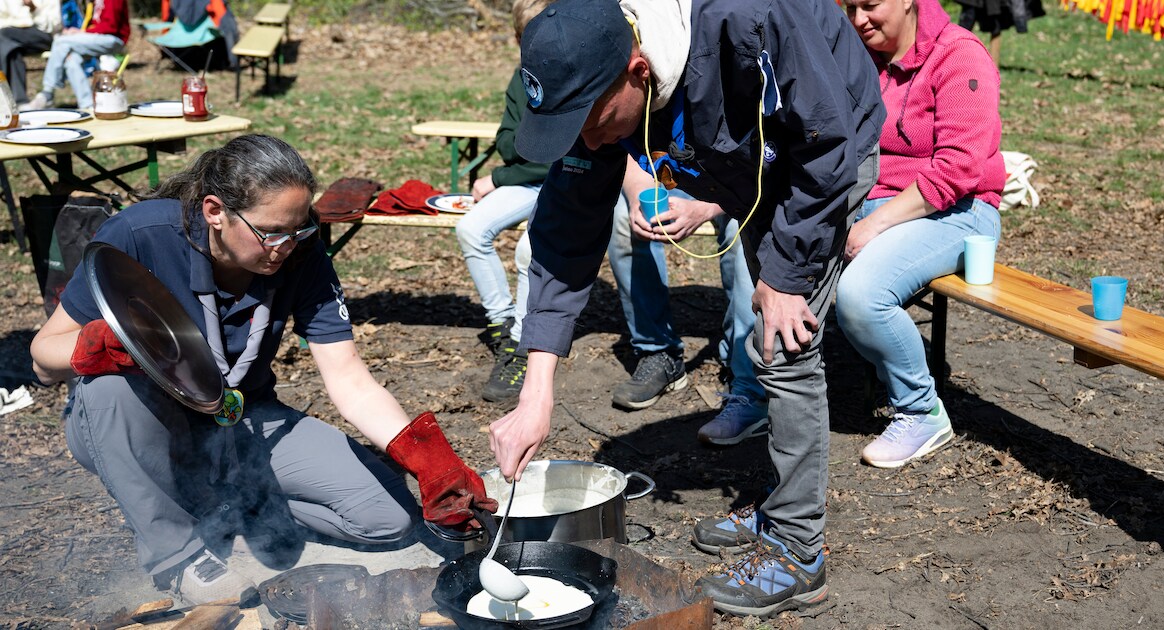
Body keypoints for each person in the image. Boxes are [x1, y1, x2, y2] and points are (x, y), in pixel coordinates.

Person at [489, 0, 883, 617]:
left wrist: (784, 277)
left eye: (590, 122)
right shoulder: (594, 67)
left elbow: (824, 145)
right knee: (770, 329)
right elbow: (565, 236)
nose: (589, 142)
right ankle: (782, 509)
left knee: (781, 345)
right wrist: (536, 394)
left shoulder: (746, 18)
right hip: (756, 153)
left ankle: (800, 550)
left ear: (639, 71)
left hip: (825, 150)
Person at [29, 135, 498, 606]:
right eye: (272, 233)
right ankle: (178, 558)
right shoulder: (139, 235)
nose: (286, 247)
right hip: (145, 418)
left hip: (242, 417)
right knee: (107, 389)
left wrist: (429, 460)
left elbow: (350, 379)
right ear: (215, 212)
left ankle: (226, 506)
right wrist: (101, 346)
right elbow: (42, 357)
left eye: (298, 231)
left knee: (388, 519)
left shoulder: (299, 249)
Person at [838, 0, 1004, 467]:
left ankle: (921, 410)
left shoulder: (959, 56)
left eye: (869, 5)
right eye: (850, 7)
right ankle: (755, 395)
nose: (858, 19)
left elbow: (957, 171)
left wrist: (874, 221)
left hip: (960, 211)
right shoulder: (862, 56)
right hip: (878, 203)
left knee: (861, 294)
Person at [608, 156, 768, 446]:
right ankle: (659, 354)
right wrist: (636, 197)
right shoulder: (645, 108)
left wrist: (705, 209)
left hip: (741, 186)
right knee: (622, 220)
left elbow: (762, 166)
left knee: (741, 232)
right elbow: (628, 149)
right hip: (678, 181)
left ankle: (749, 387)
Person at [455, 0, 553, 404]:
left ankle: (521, 345)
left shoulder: (576, 77)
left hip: (564, 185)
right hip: (527, 181)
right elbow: (507, 140)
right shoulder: (522, 78)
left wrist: (499, 176)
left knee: (530, 250)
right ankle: (502, 321)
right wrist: (521, 159)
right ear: (518, 39)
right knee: (470, 228)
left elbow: (555, 159)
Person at [19, 0, 127, 110]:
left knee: (60, 42)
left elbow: (110, 27)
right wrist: (78, 32)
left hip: (113, 39)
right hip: (99, 38)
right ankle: (87, 105)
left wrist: (82, 33)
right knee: (71, 60)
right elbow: (95, 25)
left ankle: (47, 93)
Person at [0, 0, 61, 105]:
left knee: (4, 36)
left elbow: (52, 26)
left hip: (42, 36)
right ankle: (20, 103)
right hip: (10, 39)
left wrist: (34, 9)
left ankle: (5, 99)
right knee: (11, 50)